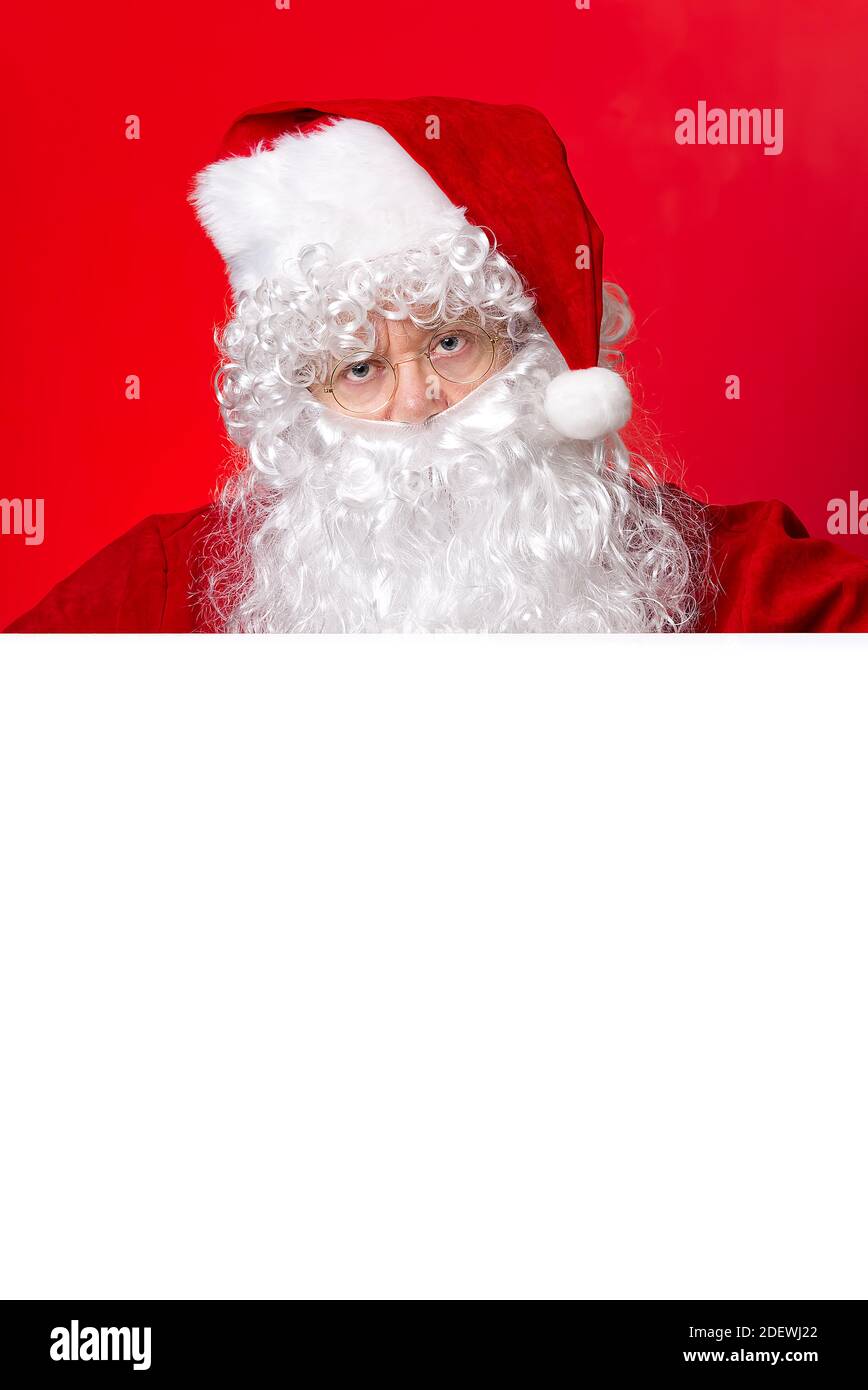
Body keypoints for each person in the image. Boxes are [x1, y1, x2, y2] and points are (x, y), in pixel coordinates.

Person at [7, 97, 868, 633]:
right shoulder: (171, 587)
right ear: (300, 399)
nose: (418, 401)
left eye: (451, 343)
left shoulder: (725, 577)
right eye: (358, 369)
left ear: (536, 351)